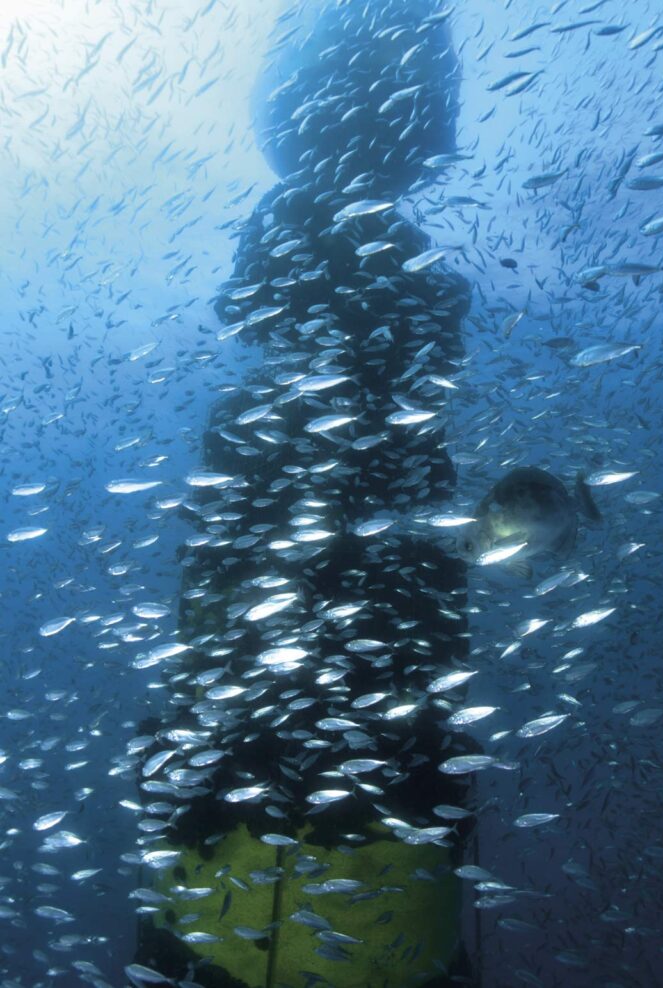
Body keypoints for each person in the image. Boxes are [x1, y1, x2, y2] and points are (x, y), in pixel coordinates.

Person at [134, 3, 478, 985]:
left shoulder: (274, 435)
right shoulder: (385, 450)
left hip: (242, 882)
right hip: (313, 884)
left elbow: (218, 638)